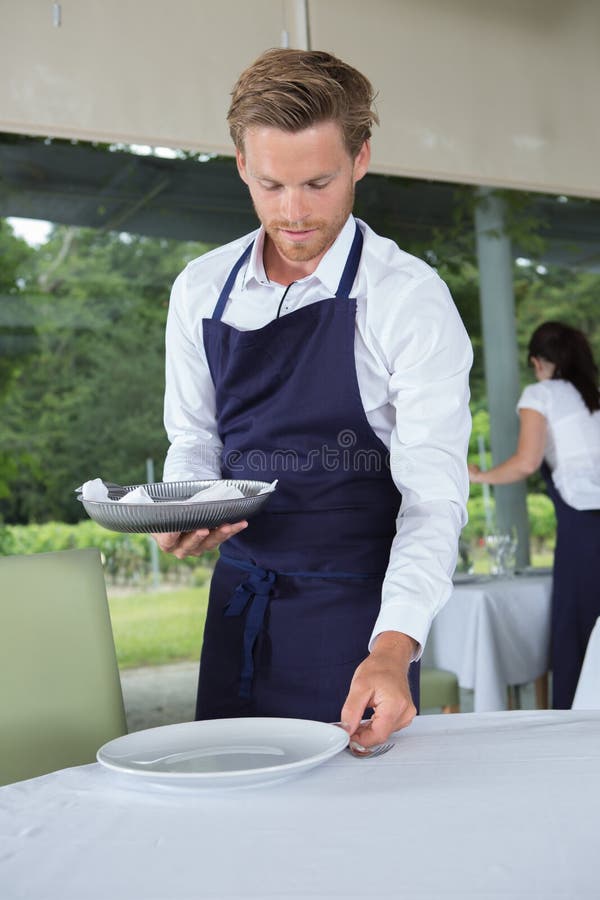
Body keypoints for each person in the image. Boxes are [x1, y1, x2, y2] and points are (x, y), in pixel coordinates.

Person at [154, 48, 472, 747]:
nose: (293, 213)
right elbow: (195, 439)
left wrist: (394, 649)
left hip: (360, 624)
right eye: (270, 185)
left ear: (361, 159)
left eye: (318, 183)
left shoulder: (408, 301)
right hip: (239, 606)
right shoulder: (200, 290)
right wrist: (188, 504)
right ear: (241, 164)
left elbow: (434, 496)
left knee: (353, 843)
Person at [469, 321, 600, 708]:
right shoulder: (594, 397)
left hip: (583, 524)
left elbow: (527, 463)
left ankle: (572, 728)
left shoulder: (539, 394)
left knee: (577, 625)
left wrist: (481, 477)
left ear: (537, 362)